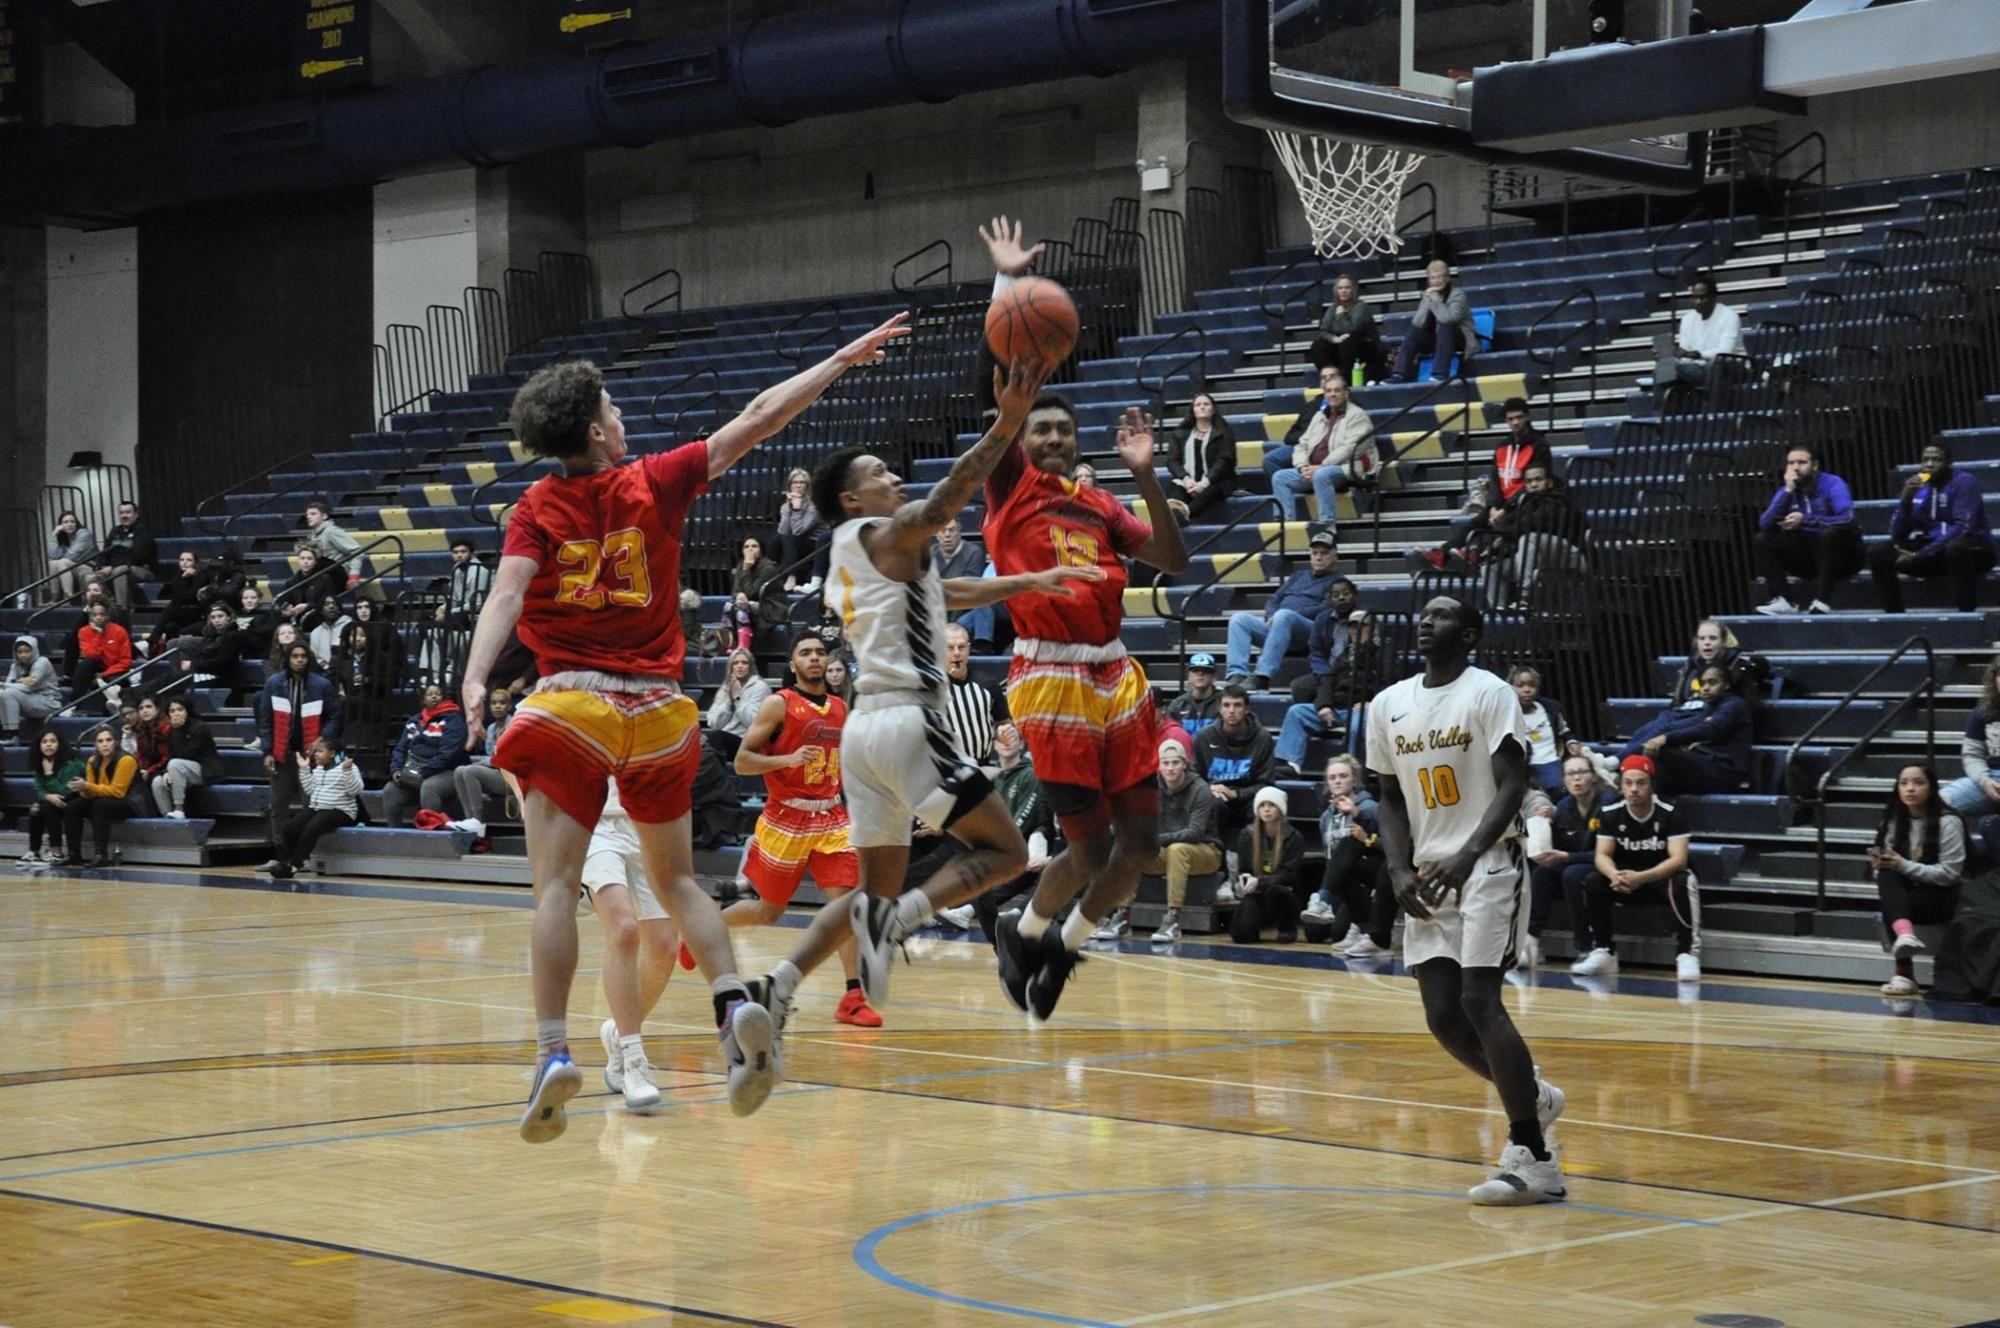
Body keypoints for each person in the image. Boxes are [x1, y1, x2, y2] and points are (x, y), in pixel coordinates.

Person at [457, 308, 912, 1140]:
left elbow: (506, 595)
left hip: (575, 705)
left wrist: (479, 673)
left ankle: (554, 1052)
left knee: (555, 889)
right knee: (680, 884)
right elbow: (762, 415)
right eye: (617, 413)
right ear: (597, 430)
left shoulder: (534, 509)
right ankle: (732, 1000)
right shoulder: (656, 479)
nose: (625, 421)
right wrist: (843, 358)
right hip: (663, 712)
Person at [746, 345, 1090, 1043]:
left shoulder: (854, 551)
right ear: (851, 497)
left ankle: (776, 987)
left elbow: (945, 591)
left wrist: (1021, 583)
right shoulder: (881, 529)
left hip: (864, 737)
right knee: (1004, 855)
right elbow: (942, 504)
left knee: (866, 891)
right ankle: (897, 922)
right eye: (878, 473)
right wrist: (1006, 424)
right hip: (909, 720)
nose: (892, 476)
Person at [1368, 595, 1567, 1206]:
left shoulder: (1490, 693)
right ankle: (1533, 1096)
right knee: (1442, 1018)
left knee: (1480, 1000)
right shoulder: (1387, 705)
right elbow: (1390, 797)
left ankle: (1533, 1158)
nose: (1426, 620)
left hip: (1487, 864)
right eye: (1423, 613)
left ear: (1471, 633)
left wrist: (1466, 854)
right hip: (1428, 873)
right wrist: (1398, 867)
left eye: (1443, 614)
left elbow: (1514, 784)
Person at [716, 633, 877, 1028]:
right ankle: (707, 928)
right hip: (786, 818)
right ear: (793, 664)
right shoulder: (779, 704)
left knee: (847, 907)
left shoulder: (840, 707)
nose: (815, 658)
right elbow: (742, 761)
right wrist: (788, 758)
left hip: (831, 819)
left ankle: (853, 996)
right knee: (769, 912)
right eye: (805, 653)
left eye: (820, 653)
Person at [581, 779, 684, 1113]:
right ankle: (633, 1060)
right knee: (624, 928)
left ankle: (619, 1031)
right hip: (594, 826)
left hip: (648, 827)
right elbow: (510, 760)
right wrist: (530, 809)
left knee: (665, 948)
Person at [1569, 755, 1701, 980]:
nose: (1634, 789)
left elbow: (1678, 859)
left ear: (1651, 785)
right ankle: (1604, 950)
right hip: (1625, 880)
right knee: (1592, 880)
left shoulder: (1671, 812)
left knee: (1684, 880)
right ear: (1621, 785)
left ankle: (1687, 953)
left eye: (1640, 783)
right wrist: (1613, 874)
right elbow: (1602, 855)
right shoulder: (1611, 813)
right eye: (1628, 783)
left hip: (1659, 878)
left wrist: (1643, 877)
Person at [1410, 400, 1551, 571]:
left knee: (1504, 524)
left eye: (1519, 417)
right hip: (1502, 504)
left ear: (1527, 417)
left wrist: (1505, 509)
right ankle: (1442, 553)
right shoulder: (1502, 446)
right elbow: (1495, 479)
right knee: (1474, 523)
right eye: (1510, 419)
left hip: (1526, 502)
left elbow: (1534, 480)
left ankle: (1477, 554)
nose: (1515, 422)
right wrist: (1493, 506)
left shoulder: (1539, 444)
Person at [1113, 737, 1222, 945]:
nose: (1170, 768)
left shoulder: (1200, 790)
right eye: (1165, 763)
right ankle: (1122, 915)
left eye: (1175, 762)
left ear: (1184, 764)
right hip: (1166, 851)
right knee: (1132, 850)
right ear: (1158, 766)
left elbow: (1195, 833)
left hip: (1206, 852)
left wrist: (1155, 839)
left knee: (1177, 849)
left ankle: (1173, 919)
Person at [1870, 763, 1966, 998]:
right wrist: (1879, 866)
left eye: (1918, 783)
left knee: (1893, 896)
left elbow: (1950, 874)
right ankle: (1905, 938)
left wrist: (1903, 865)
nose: (1910, 789)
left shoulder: (1948, 822)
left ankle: (1904, 970)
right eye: (1904, 783)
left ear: (1932, 787)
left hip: (1942, 896)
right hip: (1908, 895)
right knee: (1886, 875)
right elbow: (1887, 873)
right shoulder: (1892, 820)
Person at [1867, 442, 1997, 614]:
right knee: (1878, 552)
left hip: (1974, 550)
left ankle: (1967, 614)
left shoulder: (1965, 482)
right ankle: (1895, 615)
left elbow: (1963, 528)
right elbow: (1897, 534)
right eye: (1925, 459)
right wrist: (1905, 500)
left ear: (1949, 463)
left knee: (1955, 548)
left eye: (1936, 460)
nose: (1929, 464)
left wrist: (1921, 554)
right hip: (1932, 551)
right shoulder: (1919, 488)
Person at [1523, 753, 1619, 970]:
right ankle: (1531, 941)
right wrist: (1548, 822)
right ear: (1564, 780)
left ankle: (1586, 948)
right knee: (1543, 872)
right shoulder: (1565, 806)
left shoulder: (1610, 803)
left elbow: (1609, 852)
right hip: (1576, 863)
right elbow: (1558, 848)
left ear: (1593, 777)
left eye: (1581, 773)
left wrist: (1568, 857)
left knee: (1572, 874)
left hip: (1609, 864)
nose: (1576, 779)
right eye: (1570, 774)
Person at [256, 641, 343, 867]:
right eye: (295, 656)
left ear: (309, 658)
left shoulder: (322, 684)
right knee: (278, 807)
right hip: (281, 754)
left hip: (312, 757)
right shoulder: (273, 683)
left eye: (303, 656)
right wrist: (267, 751)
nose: (299, 660)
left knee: (311, 806)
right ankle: (281, 855)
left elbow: (335, 716)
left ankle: (303, 856)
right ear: (288, 659)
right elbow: (265, 720)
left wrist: (322, 738)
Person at [1753, 444, 1863, 615]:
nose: (1795, 467)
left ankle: (1822, 601)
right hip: (1808, 559)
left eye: (1801, 462)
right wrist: (1788, 490)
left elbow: (1848, 519)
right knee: (1763, 539)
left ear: (1815, 465)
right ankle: (1785, 601)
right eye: (1791, 463)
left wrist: (1806, 519)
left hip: (1843, 558)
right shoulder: (1787, 490)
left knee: (1828, 535)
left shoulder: (1833, 483)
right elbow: (1765, 523)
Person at [1224, 531, 1341, 690]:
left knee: (1284, 615)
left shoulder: (1338, 582)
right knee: (1239, 619)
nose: (1319, 557)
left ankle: (1262, 676)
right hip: (1279, 626)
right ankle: (1236, 675)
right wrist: (1272, 616)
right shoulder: (1298, 575)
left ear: (1335, 556)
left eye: (1324, 553)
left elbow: (1325, 609)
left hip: (1308, 631)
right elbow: (1274, 599)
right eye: (1315, 553)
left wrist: (1286, 615)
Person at [1270, 576, 1360, 777]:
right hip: (1330, 678)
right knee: (1299, 695)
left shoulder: (1368, 631)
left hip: (1357, 700)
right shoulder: (1323, 620)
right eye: (1336, 595)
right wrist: (1324, 701)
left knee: (1356, 721)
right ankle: (1290, 762)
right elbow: (1317, 652)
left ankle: (1354, 771)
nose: (1342, 598)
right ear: (1329, 599)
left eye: (1346, 594)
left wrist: (1371, 701)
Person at [1299, 755, 1388, 955]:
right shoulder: (1326, 817)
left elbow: (1389, 846)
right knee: (1313, 932)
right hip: (1341, 881)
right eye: (1332, 777)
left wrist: (1358, 816)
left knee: (1338, 931)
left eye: (1343, 776)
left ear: (1354, 780)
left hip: (1370, 880)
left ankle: (1353, 922)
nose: (1337, 781)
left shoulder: (1370, 808)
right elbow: (1331, 856)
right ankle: (1330, 905)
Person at [1622, 663, 1751, 796]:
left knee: (1661, 754)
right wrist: (1660, 737)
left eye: (1712, 683)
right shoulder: (1710, 708)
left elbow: (1709, 729)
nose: (1705, 688)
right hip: (1706, 765)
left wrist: (1665, 739)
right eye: (1702, 683)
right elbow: (1686, 726)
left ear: (1726, 685)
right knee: (1651, 749)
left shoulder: (1734, 705)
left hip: (1725, 771)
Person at [1270, 373, 1376, 526]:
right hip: (1314, 469)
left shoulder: (1358, 416)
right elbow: (1302, 444)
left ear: (1346, 393)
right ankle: (1284, 525)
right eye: (1329, 391)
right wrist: (1302, 466)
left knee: (1321, 475)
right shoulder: (1319, 416)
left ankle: (1326, 525)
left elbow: (1351, 449)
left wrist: (1321, 466)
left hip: (1347, 467)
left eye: (1337, 390)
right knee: (1280, 477)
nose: (1332, 394)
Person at [1192, 682, 1277, 847]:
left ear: (1247, 709)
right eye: (1226, 705)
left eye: (1237, 705)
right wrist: (1208, 789)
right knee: (1213, 804)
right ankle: (1218, 864)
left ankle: (1257, 867)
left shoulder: (1262, 738)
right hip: (1216, 796)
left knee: (1264, 805)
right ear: (1219, 708)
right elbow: (1194, 776)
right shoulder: (1205, 736)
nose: (1231, 711)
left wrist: (1236, 794)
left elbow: (1266, 783)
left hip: (1248, 797)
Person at [267, 738, 365, 879]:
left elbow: (355, 791)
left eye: (320, 751)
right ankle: (286, 861)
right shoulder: (318, 769)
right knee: (290, 828)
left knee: (311, 829)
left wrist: (347, 772)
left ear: (331, 754)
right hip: (317, 807)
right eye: (316, 751)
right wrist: (304, 769)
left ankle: (296, 865)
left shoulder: (349, 767)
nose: (316, 754)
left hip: (341, 811)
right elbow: (309, 789)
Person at [382, 683, 470, 825]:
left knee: (429, 787)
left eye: (438, 694)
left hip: (448, 772)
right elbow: (400, 749)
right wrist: (396, 770)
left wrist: (425, 771)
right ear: (423, 699)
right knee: (390, 791)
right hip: (416, 771)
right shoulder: (414, 721)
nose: (434, 696)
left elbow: (448, 753)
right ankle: (395, 834)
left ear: (443, 697)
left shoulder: (453, 719)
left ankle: (432, 836)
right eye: (430, 694)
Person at [1230, 787, 1305, 943]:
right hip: (1256, 891)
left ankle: (1287, 927)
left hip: (1283, 892)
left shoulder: (1294, 837)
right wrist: (1246, 882)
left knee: (1275, 891)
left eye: (1271, 805)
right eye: (1262, 805)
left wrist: (1261, 881)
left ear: (1280, 809)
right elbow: (1244, 869)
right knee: (1242, 935)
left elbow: (1289, 875)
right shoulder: (1247, 835)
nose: (1266, 809)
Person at [1388, 259, 1478, 383]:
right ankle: (1398, 374)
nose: (1436, 281)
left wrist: (1436, 301)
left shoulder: (1458, 295)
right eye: (1432, 278)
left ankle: (1440, 374)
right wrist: (1427, 301)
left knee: (1445, 327)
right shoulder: (1428, 294)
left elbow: (1448, 319)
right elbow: (1417, 322)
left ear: (1447, 278)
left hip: (1458, 338)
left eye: (1439, 277)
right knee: (1414, 332)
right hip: (1436, 339)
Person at [62, 727, 139, 868]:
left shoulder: (126, 760)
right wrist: (81, 789)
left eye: (109, 740)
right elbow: (91, 791)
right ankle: (73, 854)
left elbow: (118, 792)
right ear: (95, 745)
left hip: (130, 803)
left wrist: (88, 787)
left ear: (116, 743)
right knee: (74, 805)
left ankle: (101, 854)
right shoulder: (92, 761)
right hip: (103, 799)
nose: (105, 744)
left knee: (100, 805)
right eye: (100, 741)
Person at [1658, 274, 1743, 396]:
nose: (1698, 302)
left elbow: (1725, 351)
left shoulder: (1729, 316)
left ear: (1714, 297)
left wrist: (1697, 354)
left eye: (1702, 297)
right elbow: (1686, 354)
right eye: (1694, 297)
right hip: (1700, 368)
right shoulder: (1687, 319)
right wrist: (1670, 355)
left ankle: (1712, 412)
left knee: (1715, 365)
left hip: (1732, 367)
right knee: (1664, 368)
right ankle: (1662, 412)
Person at [1941, 658, 2000, 827]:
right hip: (1991, 780)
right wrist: (1985, 781)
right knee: (1936, 804)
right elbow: (1972, 755)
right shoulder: (1983, 713)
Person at [1167, 393, 1238, 525]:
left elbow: (1225, 461)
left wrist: (1204, 483)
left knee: (1210, 490)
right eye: (1198, 405)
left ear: (1213, 409)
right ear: (1192, 410)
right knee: (1175, 488)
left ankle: (1182, 516)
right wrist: (1187, 480)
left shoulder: (1224, 432)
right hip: (1188, 482)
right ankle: (1175, 514)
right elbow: (1172, 461)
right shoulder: (1180, 433)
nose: (1202, 407)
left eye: (1206, 404)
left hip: (1216, 482)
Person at [943, 623, 1007, 766]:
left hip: (982, 766)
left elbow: (1003, 724)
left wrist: (1006, 736)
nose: (956, 653)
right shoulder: (931, 689)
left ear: (969, 649)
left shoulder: (988, 684)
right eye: (949, 648)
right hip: (944, 770)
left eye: (961, 647)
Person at [451, 689, 515, 830]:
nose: (497, 706)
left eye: (502, 703)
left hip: (511, 778)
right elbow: (491, 755)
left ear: (509, 706)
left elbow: (508, 758)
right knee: (459, 770)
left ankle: (478, 821)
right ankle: (469, 819)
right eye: (494, 703)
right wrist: (484, 760)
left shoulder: (515, 726)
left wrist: (486, 761)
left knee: (471, 771)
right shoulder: (491, 728)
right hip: (496, 772)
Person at [20, 728, 83, 866]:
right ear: (39, 745)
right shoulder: (41, 763)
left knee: (47, 806)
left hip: (75, 802)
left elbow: (64, 792)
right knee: (36, 809)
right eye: (44, 742)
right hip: (53, 802)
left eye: (52, 741)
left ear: (59, 744)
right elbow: (39, 789)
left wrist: (49, 774)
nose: (48, 744)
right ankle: (34, 851)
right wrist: (47, 796)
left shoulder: (72, 764)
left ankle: (56, 851)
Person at [1307, 273, 1384, 384]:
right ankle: (1331, 378)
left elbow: (1354, 328)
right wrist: (1334, 338)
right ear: (1336, 291)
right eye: (1340, 288)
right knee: (1319, 346)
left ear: (1353, 290)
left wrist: (1340, 316)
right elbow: (1323, 330)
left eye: (1347, 288)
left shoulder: (1361, 306)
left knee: (1348, 343)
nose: (1343, 291)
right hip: (1341, 344)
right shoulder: (1332, 308)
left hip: (1365, 345)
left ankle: (1346, 382)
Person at [152, 697, 218, 819]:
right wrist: (166, 772)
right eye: (172, 711)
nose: (176, 713)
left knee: (175, 764)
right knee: (158, 782)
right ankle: (167, 816)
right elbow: (171, 754)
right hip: (181, 770)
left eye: (180, 709)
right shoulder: (172, 730)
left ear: (187, 711)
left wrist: (177, 731)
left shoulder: (199, 727)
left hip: (205, 769)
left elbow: (187, 754)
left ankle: (179, 808)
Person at [1510, 667, 1573, 794]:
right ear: (1510, 688)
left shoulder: (1551, 708)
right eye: (1520, 686)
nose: (1527, 690)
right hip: (1523, 767)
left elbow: (1565, 731)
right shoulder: (1506, 714)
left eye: (1532, 685)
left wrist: (1572, 742)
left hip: (1551, 762)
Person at [303, 498, 378, 600]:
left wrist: (353, 575)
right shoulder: (311, 536)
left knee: (318, 562)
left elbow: (357, 551)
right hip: (325, 575)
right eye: (307, 514)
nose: (308, 517)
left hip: (339, 573)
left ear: (324, 516)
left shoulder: (332, 532)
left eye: (313, 514)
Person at [705, 649, 770, 763]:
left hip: (746, 742)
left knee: (715, 737)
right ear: (731, 667)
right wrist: (728, 702)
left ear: (750, 666)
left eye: (744, 663)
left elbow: (754, 722)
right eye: (736, 663)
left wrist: (738, 699)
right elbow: (714, 723)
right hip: (725, 737)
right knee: (702, 738)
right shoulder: (725, 688)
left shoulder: (761, 687)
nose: (740, 666)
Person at [728, 536, 788, 652]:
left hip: (770, 607)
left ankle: (744, 647)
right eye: (746, 547)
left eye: (754, 546)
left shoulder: (769, 568)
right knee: (728, 606)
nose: (750, 549)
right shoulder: (741, 565)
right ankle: (731, 643)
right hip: (750, 605)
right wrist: (739, 595)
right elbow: (735, 590)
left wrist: (746, 570)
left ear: (761, 551)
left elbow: (752, 592)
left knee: (741, 606)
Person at [94, 500, 155, 611]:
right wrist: (101, 567)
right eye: (121, 513)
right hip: (116, 567)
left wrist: (112, 567)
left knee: (119, 571)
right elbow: (104, 552)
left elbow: (137, 557)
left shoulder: (143, 531)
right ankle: (98, 610)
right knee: (90, 577)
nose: (124, 516)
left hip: (142, 569)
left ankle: (122, 611)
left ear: (136, 514)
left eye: (128, 512)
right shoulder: (115, 530)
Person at [774, 467, 828, 592]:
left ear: (807, 486)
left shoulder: (813, 507)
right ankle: (772, 575)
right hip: (794, 545)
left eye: (802, 482)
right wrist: (789, 508)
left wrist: (797, 510)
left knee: (790, 539)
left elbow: (799, 532)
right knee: (776, 540)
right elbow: (782, 532)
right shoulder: (785, 507)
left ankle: (792, 576)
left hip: (813, 546)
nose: (798, 486)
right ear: (790, 486)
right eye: (795, 482)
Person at [148, 550, 213, 650]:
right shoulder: (178, 576)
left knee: (170, 608)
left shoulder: (203, 576)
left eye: (189, 560)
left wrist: (185, 579)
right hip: (181, 614)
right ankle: (167, 652)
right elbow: (177, 597)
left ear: (195, 563)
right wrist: (184, 578)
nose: (184, 562)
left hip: (197, 613)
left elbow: (188, 597)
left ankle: (151, 641)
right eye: (181, 560)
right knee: (170, 626)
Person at [71, 600, 132, 707]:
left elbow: (125, 661)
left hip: (115, 669)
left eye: (102, 614)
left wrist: (104, 675)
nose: (98, 618)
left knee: (114, 680)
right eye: (95, 615)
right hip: (95, 667)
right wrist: (98, 635)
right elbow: (91, 655)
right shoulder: (84, 631)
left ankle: (113, 708)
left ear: (107, 615)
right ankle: (74, 704)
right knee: (84, 665)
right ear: (90, 617)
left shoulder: (119, 631)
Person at [2, 635, 62, 737]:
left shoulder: (42, 662)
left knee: (9, 693)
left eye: (27, 651)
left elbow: (28, 687)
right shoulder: (15, 665)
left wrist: (5, 684)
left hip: (48, 702)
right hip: (29, 700)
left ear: (34, 650)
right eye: (19, 652)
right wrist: (12, 684)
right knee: (1, 693)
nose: (23, 655)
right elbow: (9, 685)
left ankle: (14, 735)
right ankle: (6, 730)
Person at [276, 546, 341, 626]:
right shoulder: (291, 582)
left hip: (318, 617)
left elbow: (328, 602)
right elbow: (285, 602)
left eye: (309, 559)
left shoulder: (325, 579)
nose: (305, 562)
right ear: (298, 560)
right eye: (302, 558)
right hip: (297, 617)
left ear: (315, 562)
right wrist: (288, 610)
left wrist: (308, 606)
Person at [1164, 652, 1222, 740]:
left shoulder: (1224, 702)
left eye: (1206, 671)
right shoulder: (1178, 704)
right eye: (1195, 670)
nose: (1200, 674)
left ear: (1214, 677)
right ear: (1189, 676)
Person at [45, 511, 96, 604]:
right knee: (53, 563)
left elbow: (72, 556)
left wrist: (61, 558)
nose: (69, 524)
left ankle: (67, 598)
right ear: (61, 525)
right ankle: (55, 597)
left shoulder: (84, 534)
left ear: (77, 523)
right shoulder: (62, 537)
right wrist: (54, 535)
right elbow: (53, 555)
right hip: (71, 567)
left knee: (62, 562)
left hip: (89, 567)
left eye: (72, 522)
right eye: (66, 522)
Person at [306, 594, 353, 669]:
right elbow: (315, 658)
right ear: (321, 610)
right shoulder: (315, 633)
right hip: (324, 672)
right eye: (327, 604)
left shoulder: (350, 625)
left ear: (339, 609)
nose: (331, 606)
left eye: (334, 603)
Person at [233, 584, 276, 663]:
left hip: (257, 654)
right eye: (245, 598)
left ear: (260, 600)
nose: (249, 601)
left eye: (253, 598)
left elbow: (260, 642)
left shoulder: (265, 617)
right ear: (241, 600)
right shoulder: (235, 616)